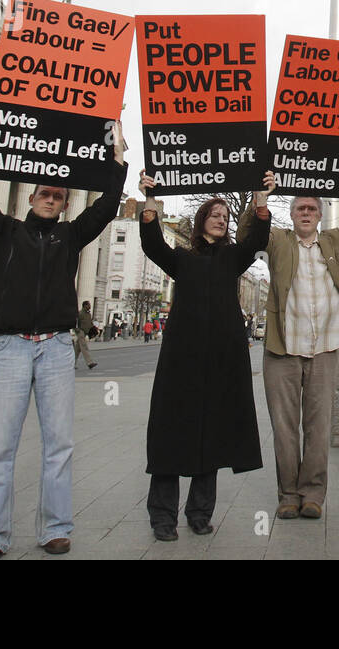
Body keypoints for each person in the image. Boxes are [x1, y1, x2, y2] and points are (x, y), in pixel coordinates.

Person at [0, 105, 127, 559]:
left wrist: (117, 159)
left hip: (54, 347)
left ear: (65, 204)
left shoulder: (71, 236)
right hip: (9, 348)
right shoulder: (6, 232)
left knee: (59, 445)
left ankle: (55, 527)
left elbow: (108, 207)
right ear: (32, 198)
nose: (51, 199)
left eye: (58, 196)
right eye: (45, 194)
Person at [137, 171, 273, 540]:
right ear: (201, 221)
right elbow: (152, 245)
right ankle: (162, 516)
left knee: (211, 434)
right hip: (182, 359)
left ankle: (199, 513)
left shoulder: (233, 257)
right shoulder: (181, 258)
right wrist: (149, 199)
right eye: (215, 213)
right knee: (171, 433)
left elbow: (257, 238)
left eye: (226, 216)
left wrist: (261, 198)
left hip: (221, 359)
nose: (221, 218)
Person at [243, 193, 339, 522]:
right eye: (300, 208)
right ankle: (288, 495)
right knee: (285, 427)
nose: (306, 213)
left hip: (325, 347)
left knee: (318, 426)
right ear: (291, 215)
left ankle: (313, 494)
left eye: (311, 209)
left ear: (320, 214)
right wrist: (258, 202)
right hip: (282, 349)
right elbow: (246, 236)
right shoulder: (276, 240)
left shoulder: (338, 241)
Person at [73, 301, 97, 370]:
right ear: (85, 305)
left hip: (85, 332)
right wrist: (76, 329)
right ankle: (90, 363)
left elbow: (90, 323)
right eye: (88, 305)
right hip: (80, 331)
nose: (90, 306)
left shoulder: (89, 314)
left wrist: (93, 330)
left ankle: (71, 364)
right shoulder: (80, 313)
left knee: (77, 350)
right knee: (84, 347)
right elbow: (75, 322)